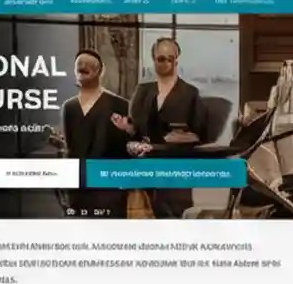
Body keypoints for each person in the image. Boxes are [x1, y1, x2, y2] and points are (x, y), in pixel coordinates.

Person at [113, 37, 210, 217]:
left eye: (170, 59)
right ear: (154, 60)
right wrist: (126, 127)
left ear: (176, 60)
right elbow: (135, 129)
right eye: (161, 59)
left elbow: (201, 133)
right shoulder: (143, 90)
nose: (166, 63)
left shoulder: (190, 93)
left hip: (176, 165)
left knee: (174, 219)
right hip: (145, 166)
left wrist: (183, 137)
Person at [57, 49, 132, 218]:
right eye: (79, 64)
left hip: (109, 190)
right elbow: (71, 149)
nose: (83, 67)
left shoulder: (119, 105)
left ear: (100, 71)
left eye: (89, 64)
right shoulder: (69, 107)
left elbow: (129, 145)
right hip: (78, 188)